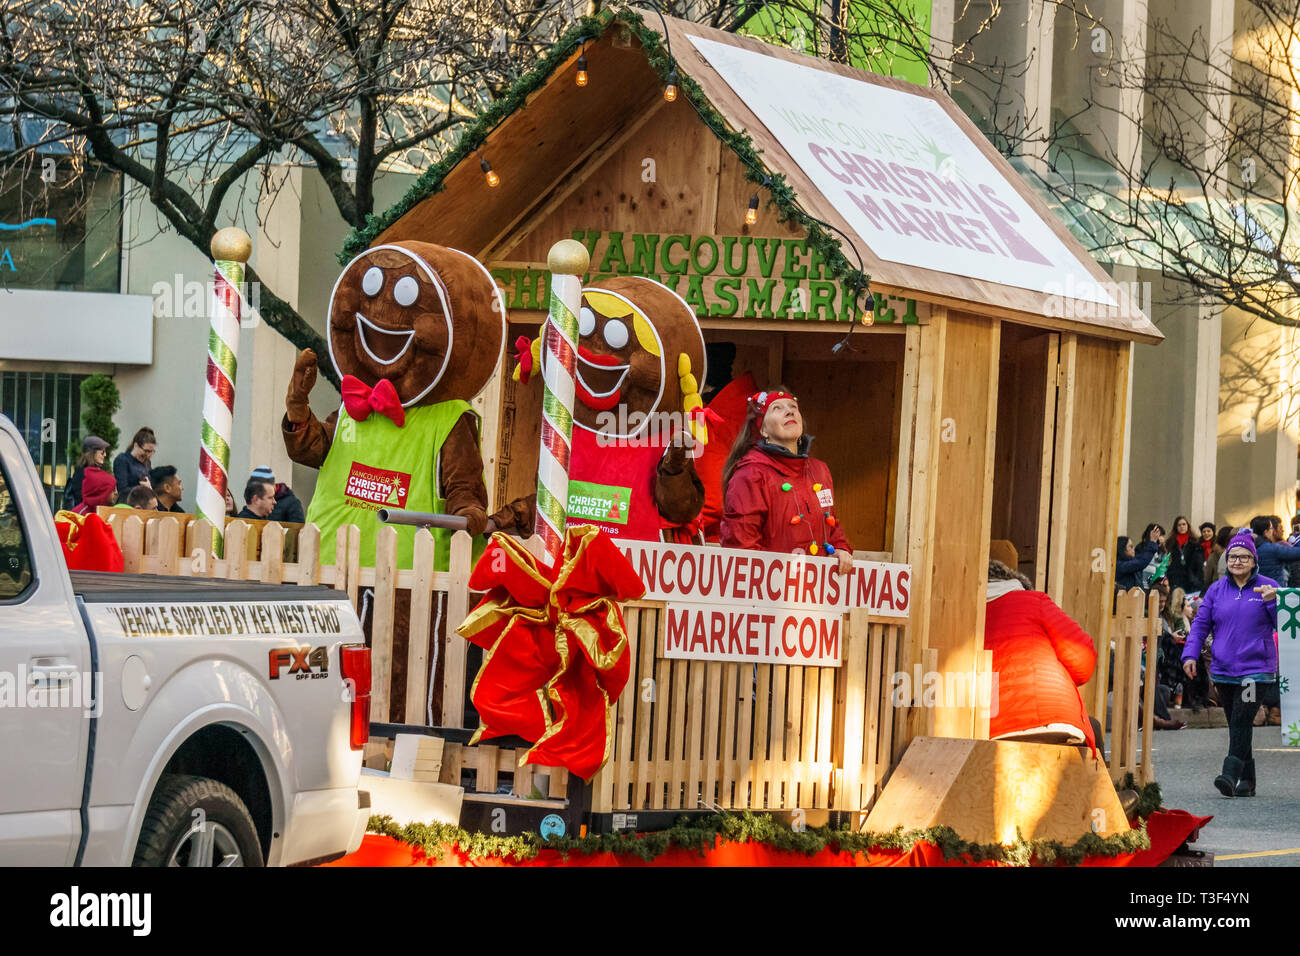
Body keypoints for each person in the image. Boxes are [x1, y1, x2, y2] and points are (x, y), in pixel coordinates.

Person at [1182, 531, 1279, 797]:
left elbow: (1283, 624)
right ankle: (1248, 782)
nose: (1236, 561)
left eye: (1243, 557)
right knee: (1238, 724)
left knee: (1241, 717)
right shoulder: (1216, 590)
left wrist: (1273, 603)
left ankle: (1229, 773)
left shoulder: (1268, 586)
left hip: (1255, 671)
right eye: (1232, 556)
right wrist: (1189, 655)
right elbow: (1201, 624)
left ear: (1253, 560)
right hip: (1223, 669)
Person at [719, 389, 852, 573]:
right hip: (769, 594)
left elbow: (831, 522)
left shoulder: (819, 471)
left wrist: (840, 548)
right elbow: (742, 550)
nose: (789, 411)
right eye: (777, 408)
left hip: (815, 595)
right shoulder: (750, 475)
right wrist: (780, 584)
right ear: (763, 429)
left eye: (793, 407)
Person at [983, 560, 1103, 750]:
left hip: (984, 727)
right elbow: (1083, 659)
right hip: (1050, 720)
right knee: (1093, 732)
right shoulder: (1033, 601)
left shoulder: (964, 612)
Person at [1248, 514, 1300, 586]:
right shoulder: (1271, 549)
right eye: (1271, 529)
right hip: (1274, 590)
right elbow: (1296, 553)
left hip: (1254, 589)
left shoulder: (1247, 547)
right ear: (1266, 532)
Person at [65, 435, 110, 510]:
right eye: (102, 452)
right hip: (84, 516)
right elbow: (81, 498)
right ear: (92, 453)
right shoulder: (82, 473)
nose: (105, 455)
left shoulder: (92, 471)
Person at [1164, 515, 1204, 594]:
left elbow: (1199, 565)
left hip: (1191, 580)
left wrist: (1197, 580)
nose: (1182, 527)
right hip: (1175, 579)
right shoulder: (1170, 543)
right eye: (1179, 525)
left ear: (1187, 526)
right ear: (1176, 527)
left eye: (1184, 524)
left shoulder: (1195, 543)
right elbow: (1167, 561)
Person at [113, 427, 155, 496]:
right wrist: (142, 488)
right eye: (146, 451)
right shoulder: (122, 460)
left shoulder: (147, 462)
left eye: (151, 451)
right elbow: (122, 489)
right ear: (136, 445)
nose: (148, 455)